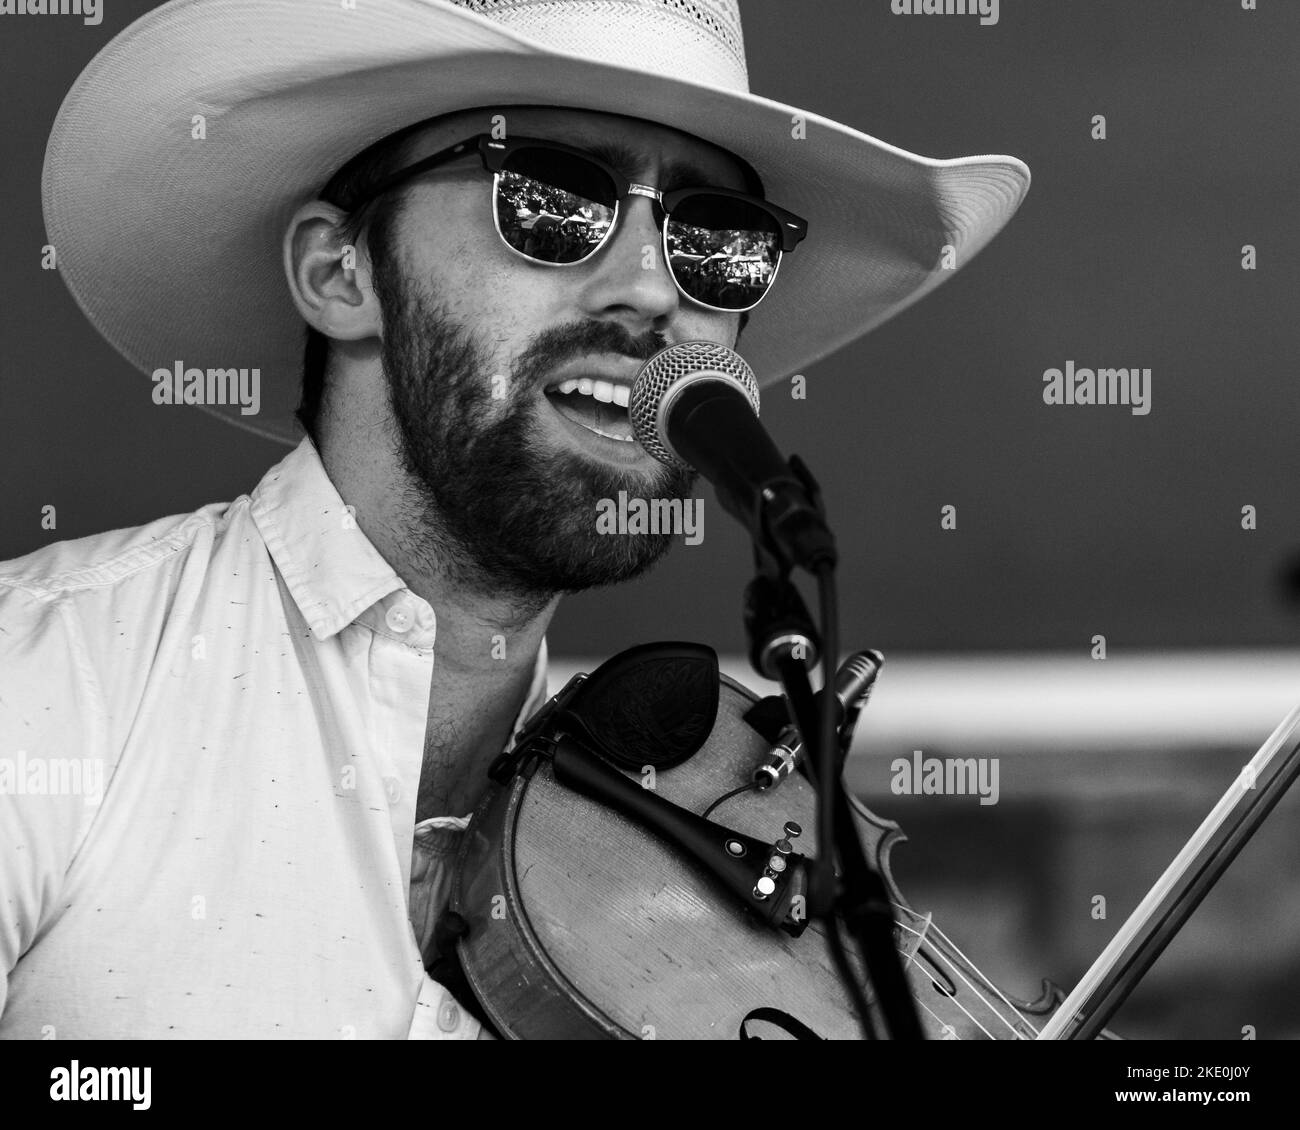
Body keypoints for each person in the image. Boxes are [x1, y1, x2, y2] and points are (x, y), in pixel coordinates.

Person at [0, 0, 1029, 1039]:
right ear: (339, 271)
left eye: (714, 240)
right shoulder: (40, 691)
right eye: (547, 197)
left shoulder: (672, 908)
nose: (650, 288)